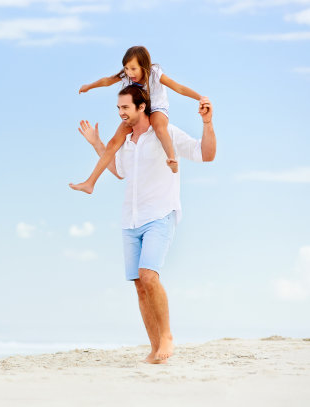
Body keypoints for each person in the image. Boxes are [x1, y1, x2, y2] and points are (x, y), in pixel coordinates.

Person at [72, 85, 216, 363]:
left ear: (141, 107)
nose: (120, 113)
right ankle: (155, 349)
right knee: (139, 284)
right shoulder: (125, 141)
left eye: (125, 108)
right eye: (118, 108)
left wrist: (207, 123)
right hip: (131, 220)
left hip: (160, 215)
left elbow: (206, 154)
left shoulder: (166, 133)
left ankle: (167, 337)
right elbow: (118, 171)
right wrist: (96, 143)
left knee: (149, 275)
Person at [73, 46, 202, 194]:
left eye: (133, 69)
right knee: (113, 142)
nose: (129, 73)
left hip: (156, 108)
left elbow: (178, 88)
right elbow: (107, 81)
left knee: (159, 127)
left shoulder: (155, 74)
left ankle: (172, 159)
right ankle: (90, 183)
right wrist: (89, 86)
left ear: (144, 66)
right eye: (126, 68)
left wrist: (199, 98)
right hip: (137, 111)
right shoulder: (126, 76)